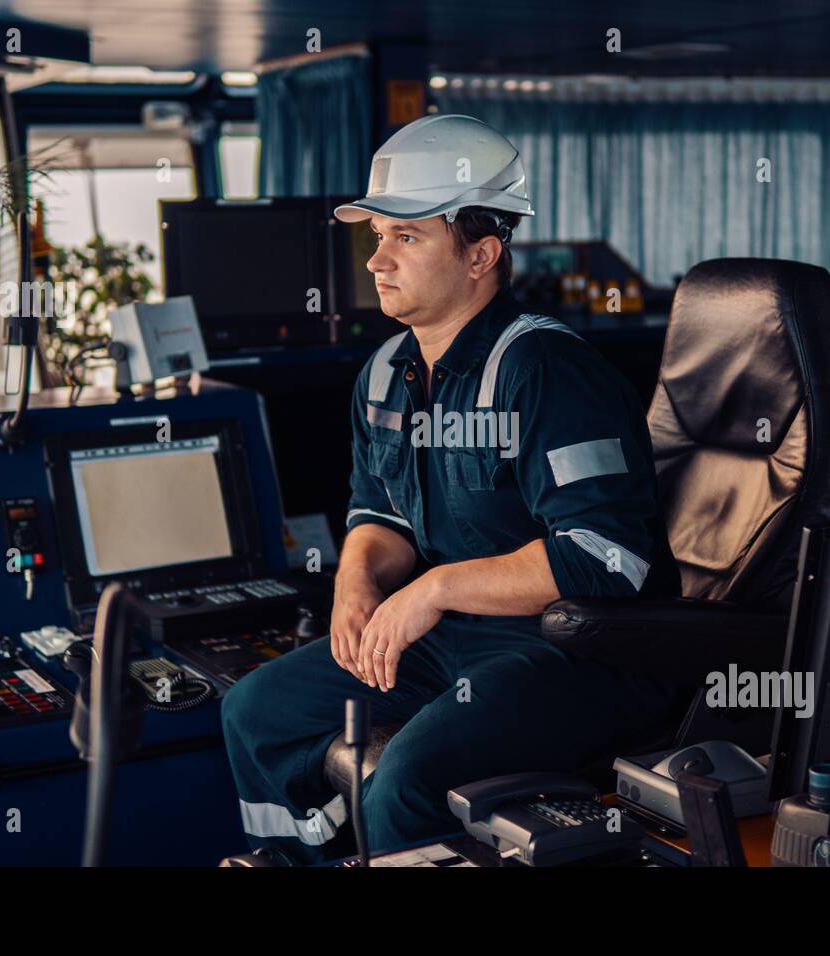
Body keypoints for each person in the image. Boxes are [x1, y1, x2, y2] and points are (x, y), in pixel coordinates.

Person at [221, 113, 681, 864]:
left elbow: (606, 558)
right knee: (254, 712)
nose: (377, 260)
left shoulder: (549, 373)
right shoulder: (383, 374)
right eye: (377, 237)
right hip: (453, 640)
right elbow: (380, 511)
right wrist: (356, 582)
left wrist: (429, 593)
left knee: (408, 779)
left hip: (574, 649)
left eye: (407, 237)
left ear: (482, 254)